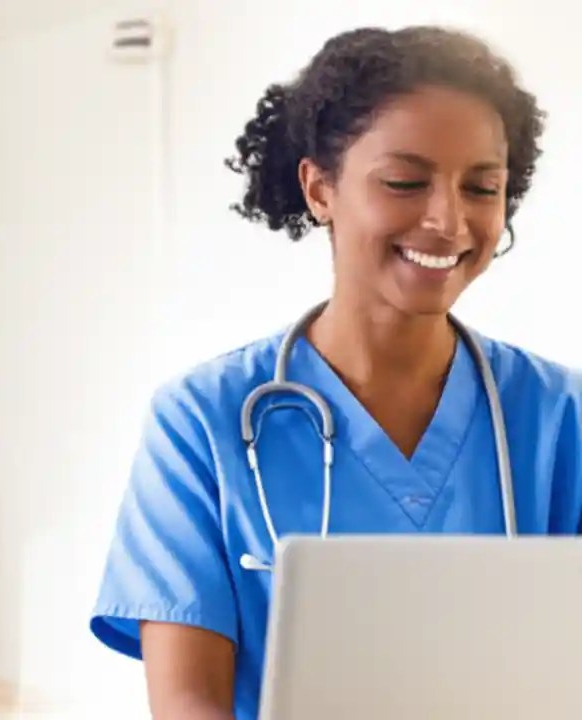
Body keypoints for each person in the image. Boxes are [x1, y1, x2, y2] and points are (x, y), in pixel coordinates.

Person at [88, 25, 580, 720]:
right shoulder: (202, 419)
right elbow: (189, 702)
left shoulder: (560, 417)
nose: (448, 220)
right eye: (405, 182)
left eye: (482, 186)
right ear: (320, 189)